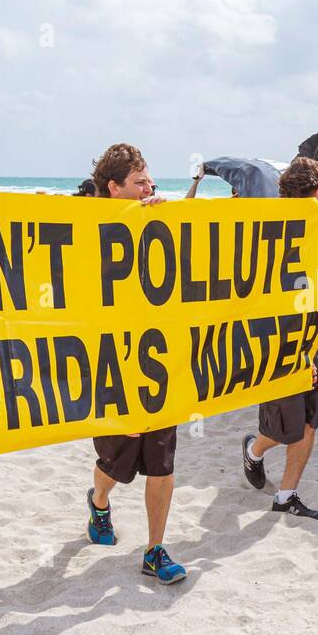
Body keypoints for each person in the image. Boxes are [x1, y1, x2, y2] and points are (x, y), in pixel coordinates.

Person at [84, 143, 185, 584]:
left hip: (157, 359)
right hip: (108, 366)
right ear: (114, 188)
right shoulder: (82, 225)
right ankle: (99, 502)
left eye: (151, 182)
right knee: (115, 466)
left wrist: (163, 215)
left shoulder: (154, 218)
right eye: (141, 183)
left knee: (162, 464)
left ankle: (155, 550)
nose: (150, 189)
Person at [241, 159, 318, 519]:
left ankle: (286, 495)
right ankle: (254, 450)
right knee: (284, 429)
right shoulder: (267, 224)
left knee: (309, 423)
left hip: (317, 338)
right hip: (280, 341)